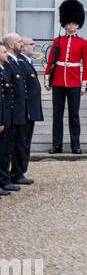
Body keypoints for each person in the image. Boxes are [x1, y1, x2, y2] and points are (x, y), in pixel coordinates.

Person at [45, 0, 87, 154]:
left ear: (78, 25)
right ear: (64, 24)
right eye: (69, 23)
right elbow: (51, 61)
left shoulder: (83, 43)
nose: (71, 26)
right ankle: (57, 145)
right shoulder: (58, 41)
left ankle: (75, 145)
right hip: (58, 81)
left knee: (74, 115)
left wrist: (84, 84)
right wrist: (47, 79)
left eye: (74, 23)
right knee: (57, 115)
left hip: (74, 82)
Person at [2, 34, 31, 185]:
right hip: (11, 113)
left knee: (18, 144)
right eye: (19, 42)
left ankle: (15, 174)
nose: (22, 44)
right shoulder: (7, 63)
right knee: (8, 147)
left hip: (20, 112)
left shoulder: (18, 61)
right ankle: (5, 178)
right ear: (11, 44)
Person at [14, 37, 43, 184]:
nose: (34, 46)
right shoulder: (20, 62)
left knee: (25, 142)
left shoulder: (27, 62)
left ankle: (20, 172)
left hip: (30, 110)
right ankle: (17, 173)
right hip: (25, 111)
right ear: (22, 47)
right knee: (21, 143)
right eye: (31, 44)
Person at [0, 40, 21, 194]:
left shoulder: (3, 70)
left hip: (7, 116)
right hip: (3, 117)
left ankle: (3, 180)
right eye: (3, 52)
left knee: (5, 151)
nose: (6, 54)